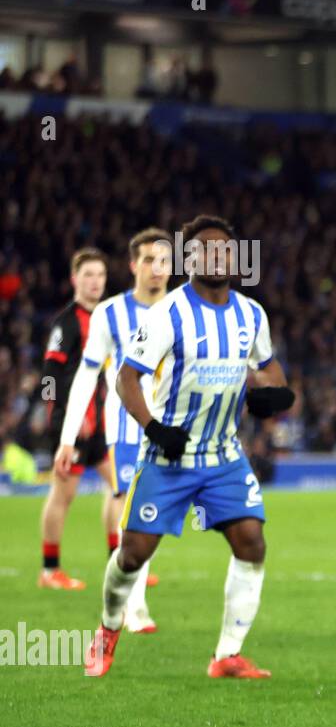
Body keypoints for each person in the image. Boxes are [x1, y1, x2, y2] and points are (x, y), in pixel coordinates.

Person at [84, 216, 295, 679]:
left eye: (225, 250)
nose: (216, 257)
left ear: (236, 259)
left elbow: (269, 368)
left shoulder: (251, 314)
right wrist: (153, 427)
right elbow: (125, 377)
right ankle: (108, 626)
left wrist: (276, 394)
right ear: (191, 260)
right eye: (205, 251)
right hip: (168, 457)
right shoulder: (168, 313)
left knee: (251, 542)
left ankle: (227, 656)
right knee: (133, 553)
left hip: (223, 455)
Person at [55, 228, 172, 631]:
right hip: (123, 428)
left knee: (151, 514)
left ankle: (125, 599)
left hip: (169, 428)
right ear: (132, 265)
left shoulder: (185, 310)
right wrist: (68, 438)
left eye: (164, 261)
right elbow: (86, 377)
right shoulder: (110, 313)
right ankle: (133, 607)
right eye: (148, 261)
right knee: (131, 509)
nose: (157, 270)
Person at [37, 248, 111, 590]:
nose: (95, 282)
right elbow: (49, 377)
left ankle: (119, 567)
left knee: (120, 488)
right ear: (74, 280)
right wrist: (61, 418)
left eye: (100, 275)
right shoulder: (67, 323)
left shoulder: (106, 320)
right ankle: (50, 570)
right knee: (62, 495)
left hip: (101, 426)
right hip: (74, 428)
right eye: (88, 275)